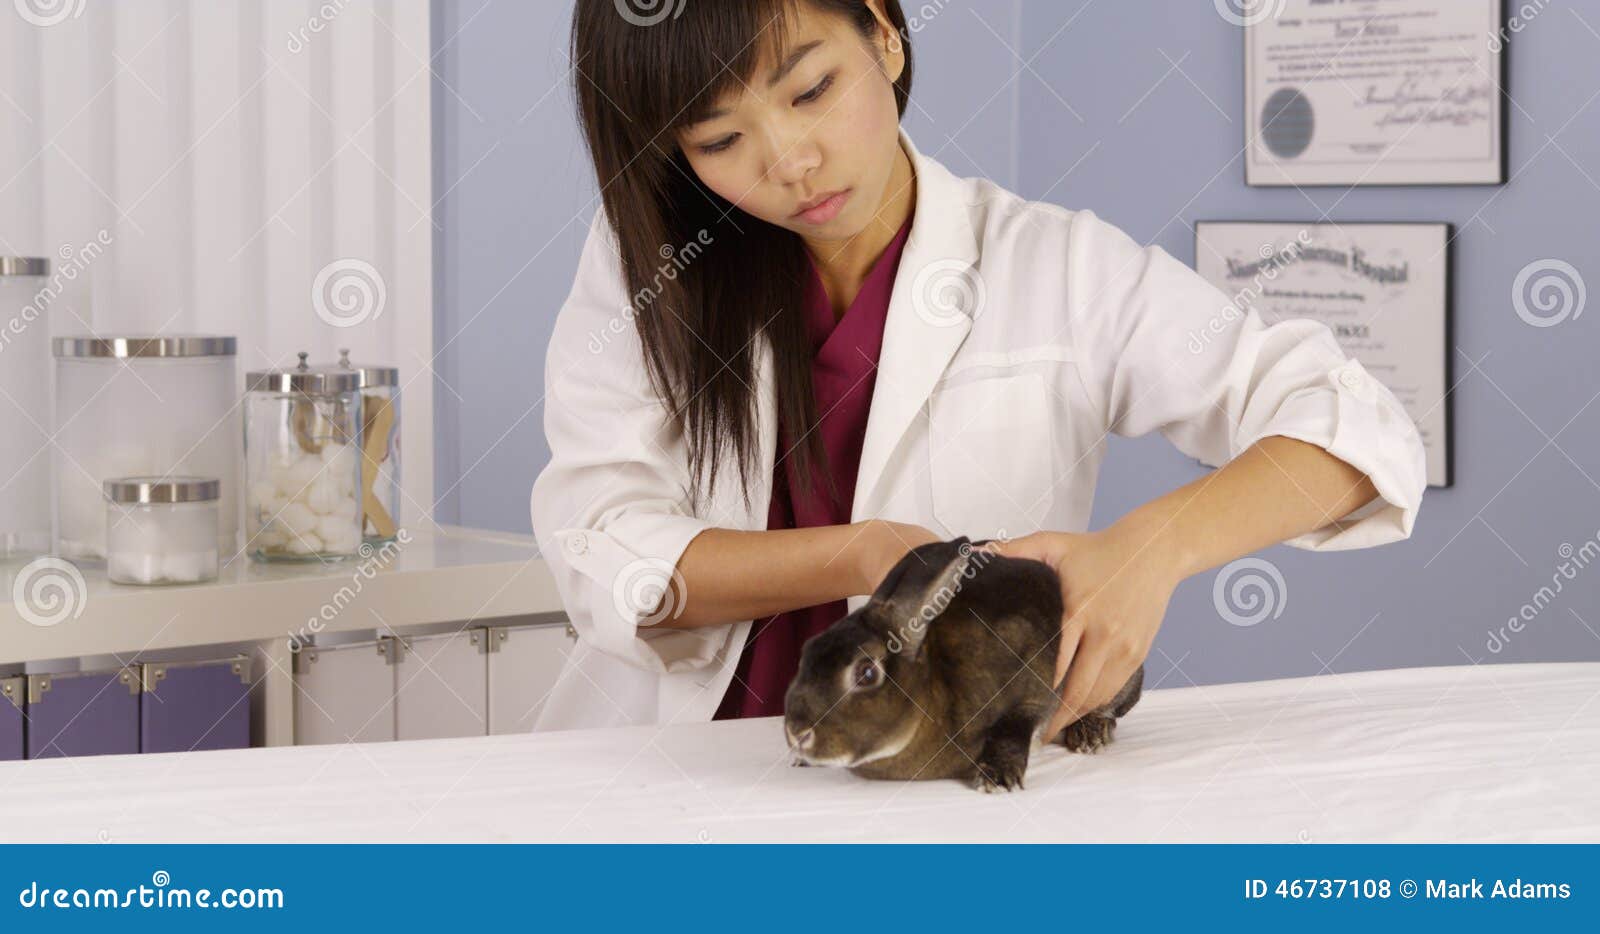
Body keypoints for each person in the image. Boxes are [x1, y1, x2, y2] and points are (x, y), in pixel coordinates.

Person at [529, 0, 1426, 738]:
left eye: (812, 90)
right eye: (721, 142)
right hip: (667, 773)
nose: (790, 164)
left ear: (882, 30)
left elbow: (1356, 430)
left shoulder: (1059, 267)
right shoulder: (651, 269)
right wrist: (871, 552)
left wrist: (1151, 549)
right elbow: (599, 544)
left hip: (941, 786)